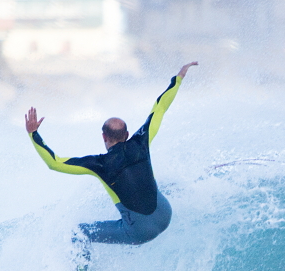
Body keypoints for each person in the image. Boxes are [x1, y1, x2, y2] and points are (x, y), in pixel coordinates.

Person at [25, 62, 197, 258]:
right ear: (127, 134)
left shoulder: (99, 165)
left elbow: (54, 163)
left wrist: (33, 134)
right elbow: (160, 107)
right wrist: (178, 78)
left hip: (139, 232)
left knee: (79, 232)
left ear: (104, 137)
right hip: (166, 215)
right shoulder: (141, 141)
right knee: (158, 185)